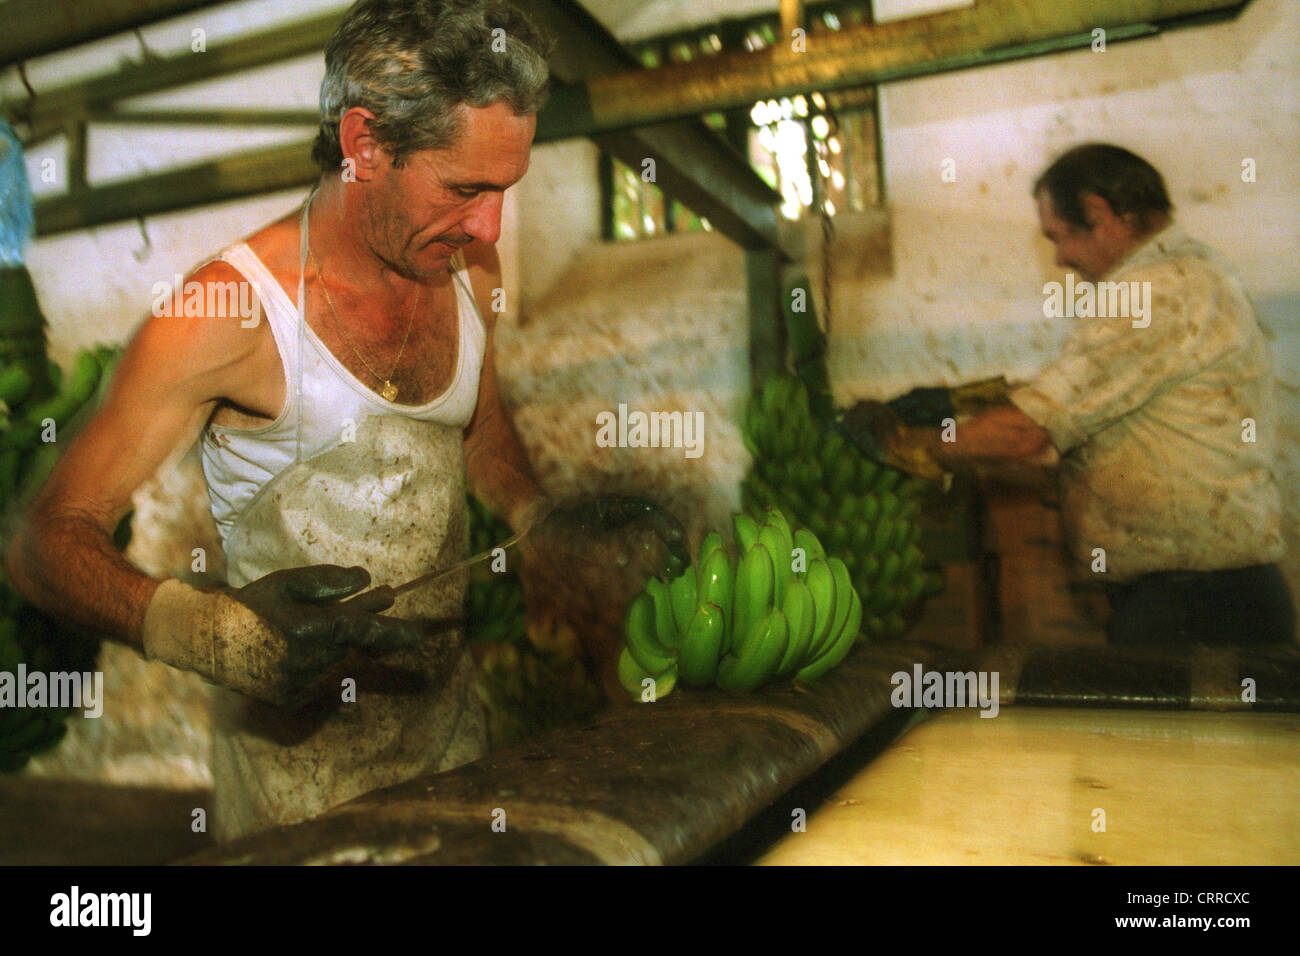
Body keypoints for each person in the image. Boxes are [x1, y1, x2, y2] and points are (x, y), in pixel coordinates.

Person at [5, 0, 678, 842]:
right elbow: (41, 540)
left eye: (505, 190)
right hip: (297, 816)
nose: (490, 224)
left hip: (457, 769)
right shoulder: (227, 313)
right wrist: (214, 634)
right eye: (465, 188)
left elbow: (477, 430)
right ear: (364, 145)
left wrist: (539, 517)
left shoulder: (471, 267)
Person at [879, 144, 1294, 648]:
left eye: (1059, 237)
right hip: (1207, 597)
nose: (1061, 258)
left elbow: (1028, 434)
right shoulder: (1192, 273)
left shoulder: (1151, 292)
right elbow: (1092, 400)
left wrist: (908, 448)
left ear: (1098, 214)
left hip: (1197, 607)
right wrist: (966, 402)